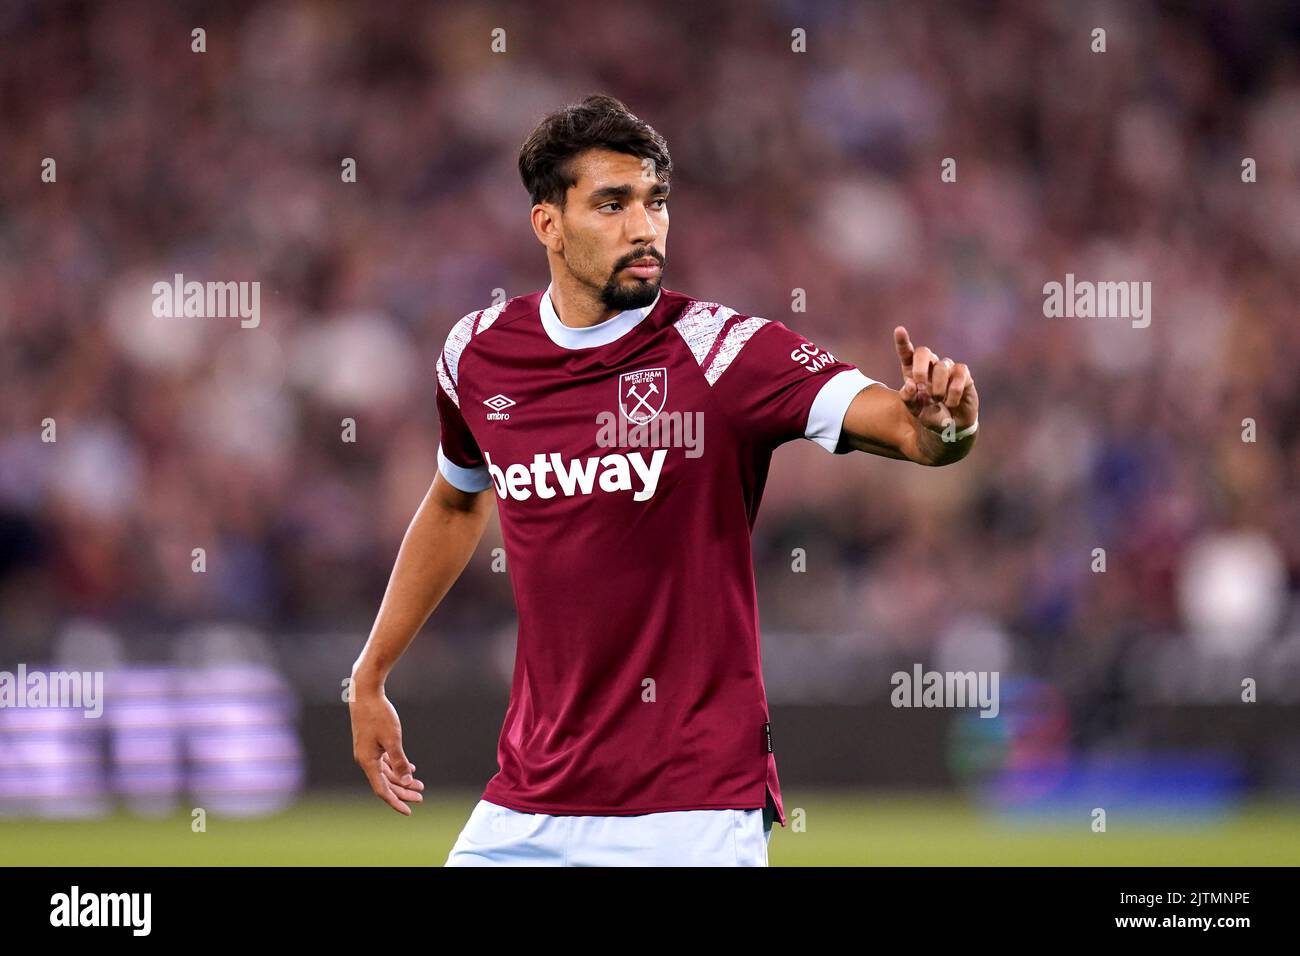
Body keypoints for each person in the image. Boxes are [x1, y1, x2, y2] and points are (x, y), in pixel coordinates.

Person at [348, 94, 979, 866]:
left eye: (655, 202)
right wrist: (371, 674)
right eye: (612, 204)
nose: (645, 227)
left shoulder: (726, 353)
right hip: (528, 800)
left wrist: (947, 423)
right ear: (548, 223)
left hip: (692, 808)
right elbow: (453, 501)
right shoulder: (477, 355)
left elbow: (916, 437)